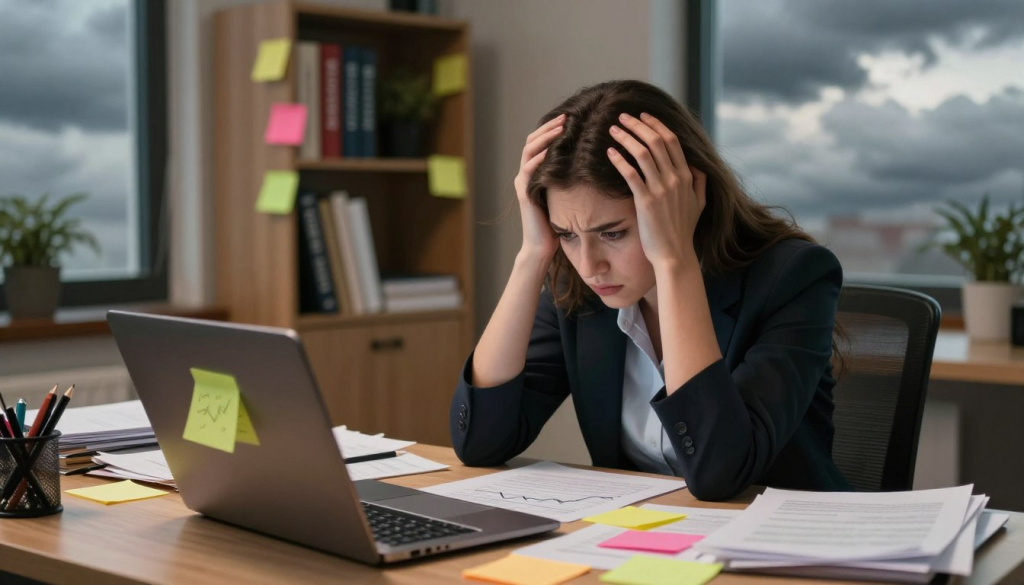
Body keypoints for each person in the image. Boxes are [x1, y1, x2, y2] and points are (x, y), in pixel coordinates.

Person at [449, 79, 850, 501]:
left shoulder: (793, 277)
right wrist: (532, 255)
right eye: (566, 234)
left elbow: (720, 474)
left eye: (614, 233)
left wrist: (675, 260)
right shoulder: (578, 287)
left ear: (680, 201)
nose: (589, 265)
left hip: (781, 545)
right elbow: (479, 443)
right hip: (647, 536)